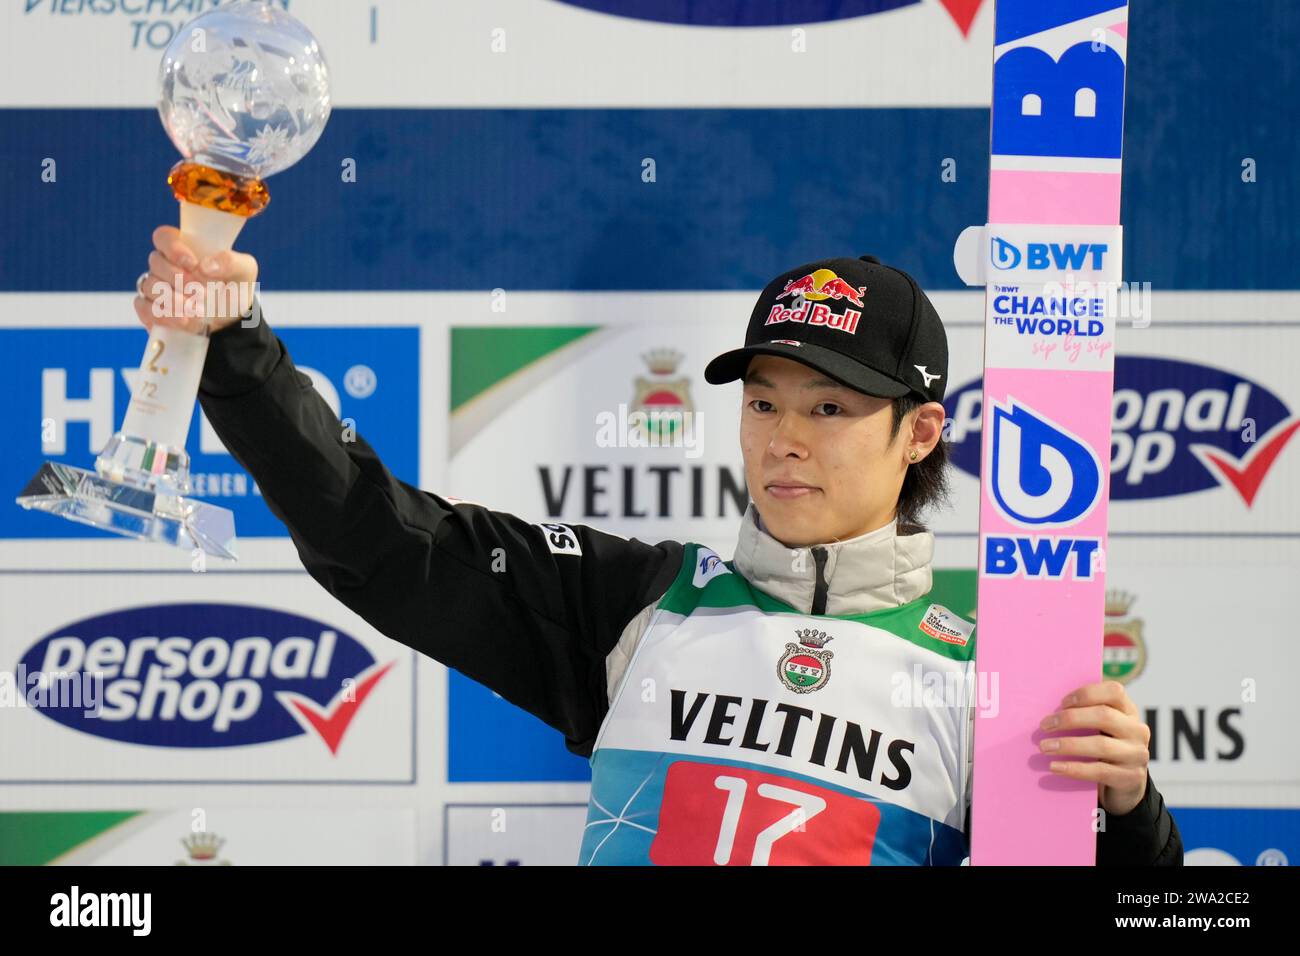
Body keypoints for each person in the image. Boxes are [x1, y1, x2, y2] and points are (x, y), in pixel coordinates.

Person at [135, 229, 1182, 866]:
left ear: (919, 432)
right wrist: (233, 346)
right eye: (764, 399)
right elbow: (371, 534)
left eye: (828, 406)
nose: (782, 437)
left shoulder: (984, 678)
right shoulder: (639, 598)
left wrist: (1129, 811)